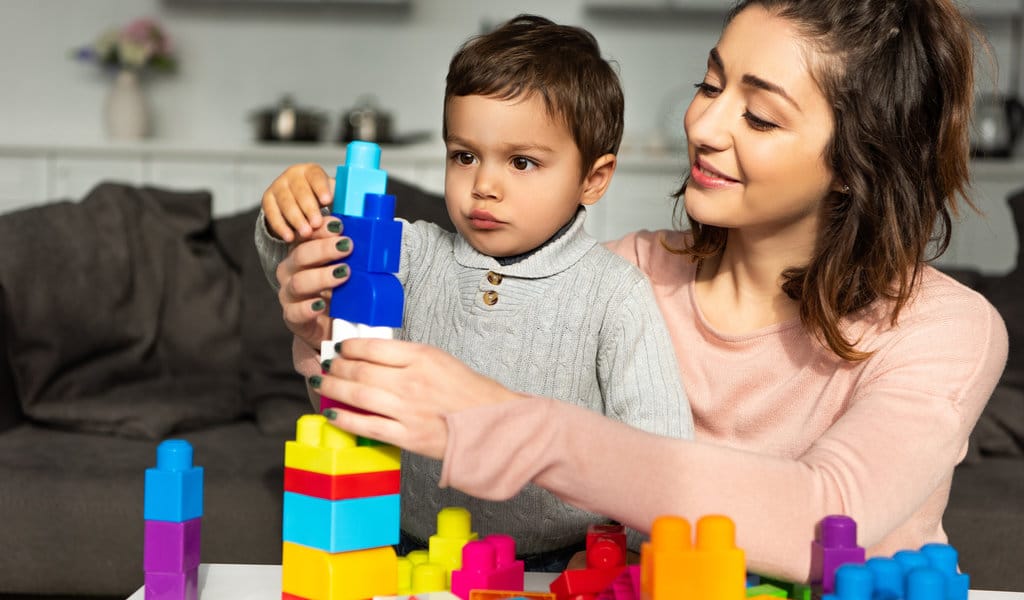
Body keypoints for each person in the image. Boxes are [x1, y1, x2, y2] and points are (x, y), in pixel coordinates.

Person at [276, 0, 1012, 583]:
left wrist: (504, 424)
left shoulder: (944, 329)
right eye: (710, 85)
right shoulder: (620, 278)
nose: (703, 125)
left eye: (759, 115)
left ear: (859, 159)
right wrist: (330, 334)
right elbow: (428, 430)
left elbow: (826, 518)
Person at [255, 15, 693, 570]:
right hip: (403, 547)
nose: (484, 185)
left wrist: (624, 556)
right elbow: (308, 263)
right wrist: (289, 217)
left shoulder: (615, 295)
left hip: (554, 563)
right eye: (464, 156)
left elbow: (660, 457)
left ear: (594, 178)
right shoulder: (413, 253)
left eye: (522, 162)